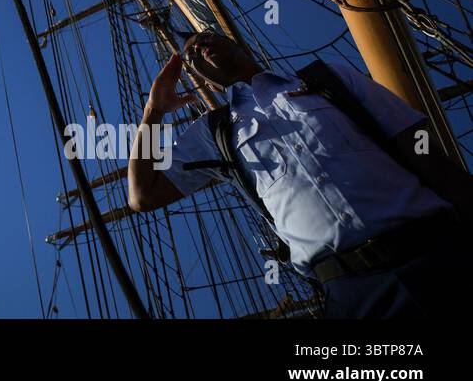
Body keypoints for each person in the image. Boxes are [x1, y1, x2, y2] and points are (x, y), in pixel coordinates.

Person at [128, 31, 473, 318]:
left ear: (238, 44)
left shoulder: (328, 78)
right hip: (352, 290)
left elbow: (417, 141)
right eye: (191, 56)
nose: (200, 47)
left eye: (208, 38)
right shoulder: (213, 132)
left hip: (438, 249)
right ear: (200, 80)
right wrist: (153, 111)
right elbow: (142, 195)